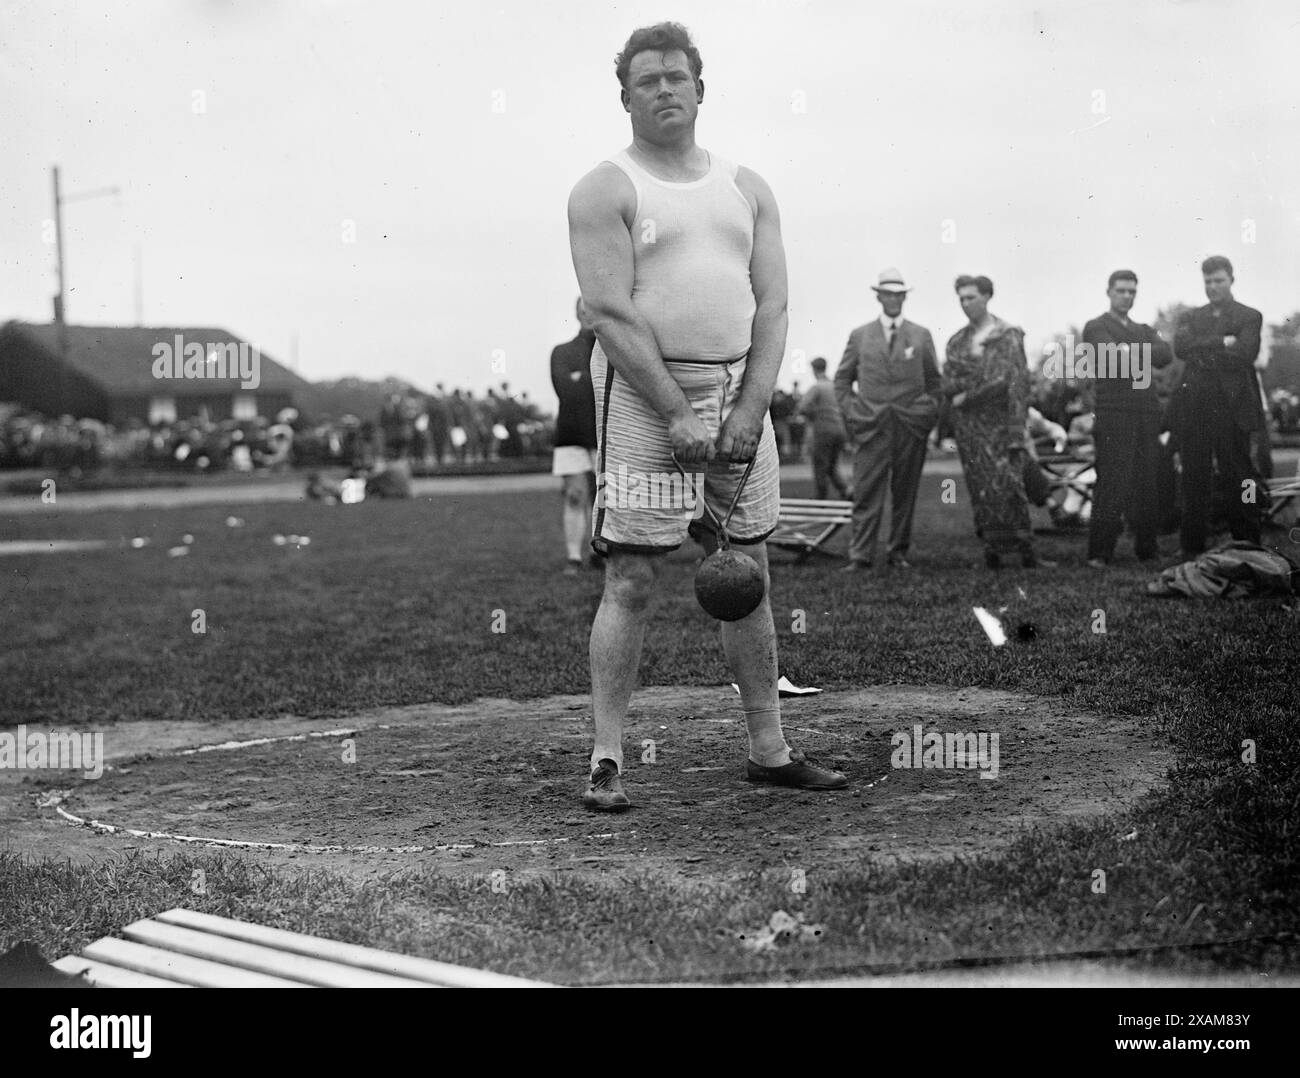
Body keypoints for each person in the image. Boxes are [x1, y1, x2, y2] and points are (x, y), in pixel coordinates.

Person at [567, 21, 847, 812]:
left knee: (747, 573)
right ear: (625, 95)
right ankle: (608, 759)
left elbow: (776, 305)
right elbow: (609, 313)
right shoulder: (605, 187)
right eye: (646, 79)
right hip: (645, 392)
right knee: (631, 575)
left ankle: (770, 749)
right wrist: (675, 413)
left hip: (737, 392)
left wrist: (751, 407)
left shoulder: (746, 186)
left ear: (700, 86)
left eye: (676, 76)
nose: (663, 89)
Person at [834, 268, 941, 570]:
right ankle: (860, 555)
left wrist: (927, 411)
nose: (893, 299)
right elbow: (841, 380)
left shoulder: (921, 335)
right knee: (866, 491)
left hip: (910, 425)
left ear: (905, 297)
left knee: (905, 492)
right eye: (888, 293)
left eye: (899, 294)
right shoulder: (860, 335)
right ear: (878, 296)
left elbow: (935, 381)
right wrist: (854, 412)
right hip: (871, 426)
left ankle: (898, 552)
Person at [942, 275, 1048, 569]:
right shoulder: (957, 341)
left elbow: (1011, 381)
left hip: (1004, 423)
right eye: (961, 298)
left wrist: (969, 394)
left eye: (971, 297)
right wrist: (975, 386)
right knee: (982, 488)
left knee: (1010, 484)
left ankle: (1026, 550)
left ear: (987, 296)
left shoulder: (1007, 334)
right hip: (971, 429)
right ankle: (993, 551)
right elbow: (949, 381)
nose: (966, 304)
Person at [1080, 270, 1174, 567]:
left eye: (1132, 291)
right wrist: (1134, 353)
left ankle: (1147, 548)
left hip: (1145, 413)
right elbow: (1111, 358)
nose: (1126, 296)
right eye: (1121, 290)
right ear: (1108, 292)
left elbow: (1166, 354)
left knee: (1148, 481)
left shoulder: (1143, 328)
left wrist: (1127, 350)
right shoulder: (1095, 326)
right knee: (1111, 481)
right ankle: (1100, 552)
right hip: (1113, 414)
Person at [1173, 256, 1265, 556]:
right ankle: (1191, 546)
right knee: (1194, 478)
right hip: (1196, 407)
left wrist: (1205, 348)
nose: (1212, 287)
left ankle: (1248, 541)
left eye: (1219, 280)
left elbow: (1244, 354)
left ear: (1232, 280)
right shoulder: (1191, 315)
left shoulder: (1250, 315)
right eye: (1208, 281)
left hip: (1233, 408)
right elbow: (1181, 348)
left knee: (1241, 476)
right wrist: (1221, 342)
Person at [550, 298, 600, 573]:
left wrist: (581, 378)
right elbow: (565, 390)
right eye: (585, 311)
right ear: (578, 314)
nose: (590, 316)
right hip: (572, 435)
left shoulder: (612, 352)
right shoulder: (562, 351)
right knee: (575, 495)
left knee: (604, 499)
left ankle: (600, 553)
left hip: (606, 436)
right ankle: (573, 557)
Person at [797, 357, 849, 500]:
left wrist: (813, 415)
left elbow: (802, 407)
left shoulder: (817, 387)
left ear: (814, 369)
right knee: (832, 465)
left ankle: (821, 496)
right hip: (839, 429)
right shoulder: (834, 386)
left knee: (820, 465)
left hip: (823, 430)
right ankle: (846, 491)